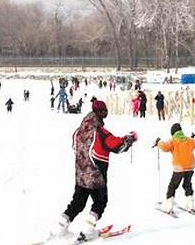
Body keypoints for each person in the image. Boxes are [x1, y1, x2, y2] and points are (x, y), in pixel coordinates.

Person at [54, 100, 137, 240]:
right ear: (99, 112)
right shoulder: (100, 132)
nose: (106, 113)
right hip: (96, 175)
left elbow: (75, 145)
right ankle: (88, 229)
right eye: (104, 111)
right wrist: (129, 139)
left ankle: (60, 227)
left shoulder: (80, 130)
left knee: (77, 202)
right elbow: (115, 144)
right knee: (100, 202)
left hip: (81, 174)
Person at [157, 123, 195, 213]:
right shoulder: (189, 140)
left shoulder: (173, 140)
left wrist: (158, 142)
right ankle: (191, 204)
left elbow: (165, 147)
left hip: (179, 168)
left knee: (173, 186)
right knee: (187, 184)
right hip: (190, 167)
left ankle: (169, 206)